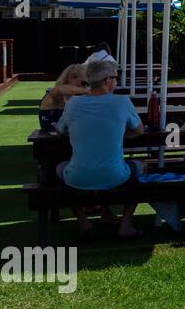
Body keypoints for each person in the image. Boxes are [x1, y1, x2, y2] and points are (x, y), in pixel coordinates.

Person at [54, 57, 145, 239]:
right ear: (107, 81)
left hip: (77, 176)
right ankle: (125, 224)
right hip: (115, 175)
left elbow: (61, 131)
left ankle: (83, 221)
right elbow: (139, 131)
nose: (117, 82)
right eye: (116, 79)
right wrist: (115, 133)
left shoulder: (73, 104)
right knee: (143, 167)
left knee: (57, 169)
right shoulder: (122, 102)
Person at [39, 63, 88, 130]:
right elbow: (58, 90)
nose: (84, 86)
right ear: (69, 78)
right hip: (52, 138)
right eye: (84, 83)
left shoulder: (76, 97)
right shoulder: (55, 94)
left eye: (86, 84)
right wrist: (88, 91)